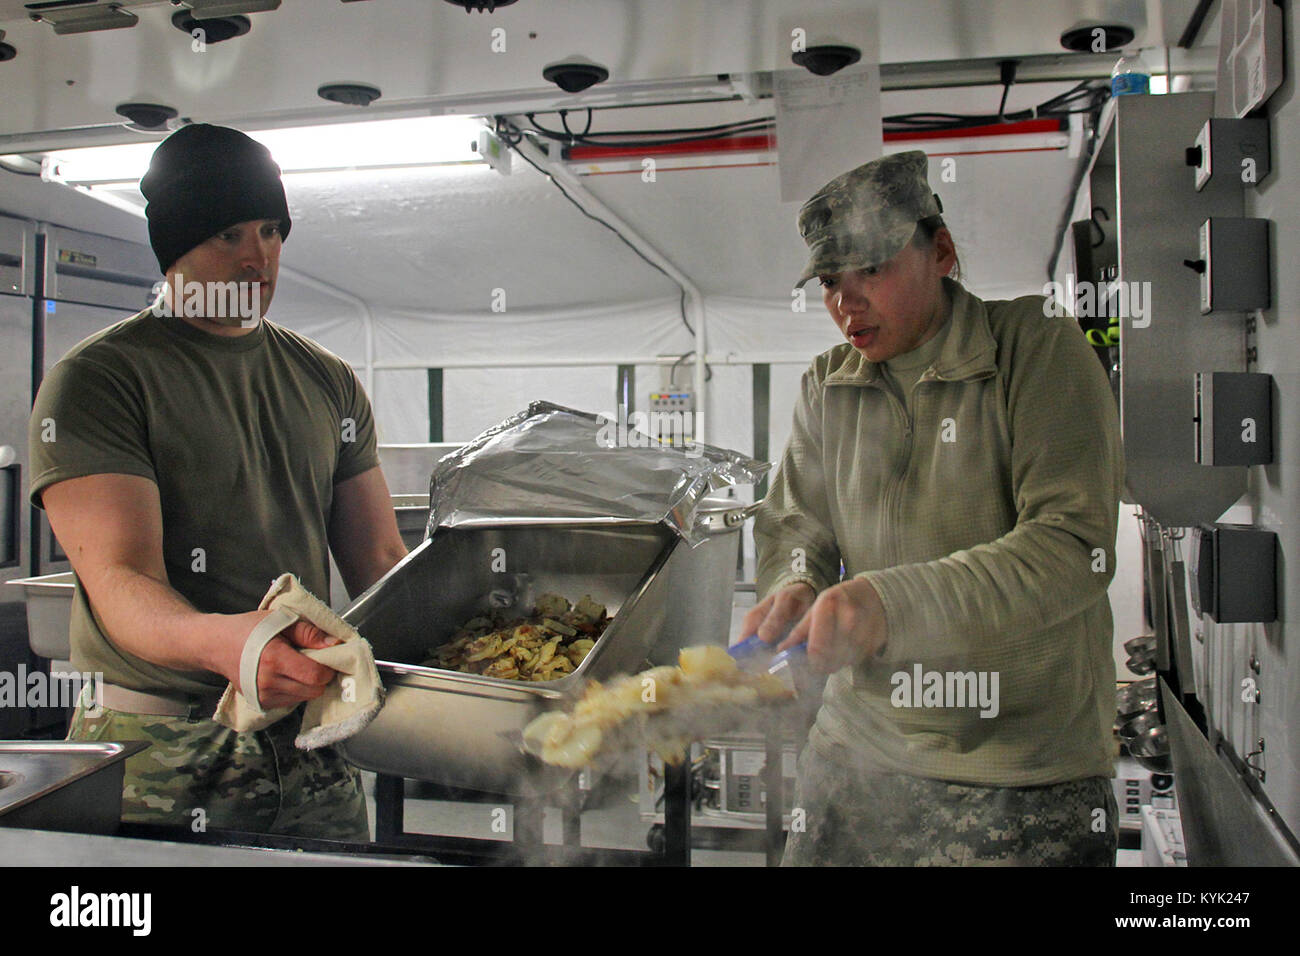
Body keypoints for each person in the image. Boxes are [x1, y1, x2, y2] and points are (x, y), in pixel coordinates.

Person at [28, 124, 409, 841]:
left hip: (312, 744)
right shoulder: (101, 380)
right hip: (161, 749)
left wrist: (491, 671)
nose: (257, 259)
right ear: (175, 246)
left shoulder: (326, 380)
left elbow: (383, 565)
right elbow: (121, 581)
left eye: (271, 231)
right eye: (229, 234)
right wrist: (230, 644)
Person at [744, 150, 1124, 866]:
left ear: (940, 251)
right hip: (855, 755)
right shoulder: (830, 384)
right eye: (830, 281)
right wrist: (793, 583)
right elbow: (799, 525)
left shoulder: (1037, 352)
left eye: (872, 270)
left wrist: (890, 604)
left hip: (1020, 774)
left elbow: (1073, 549)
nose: (845, 302)